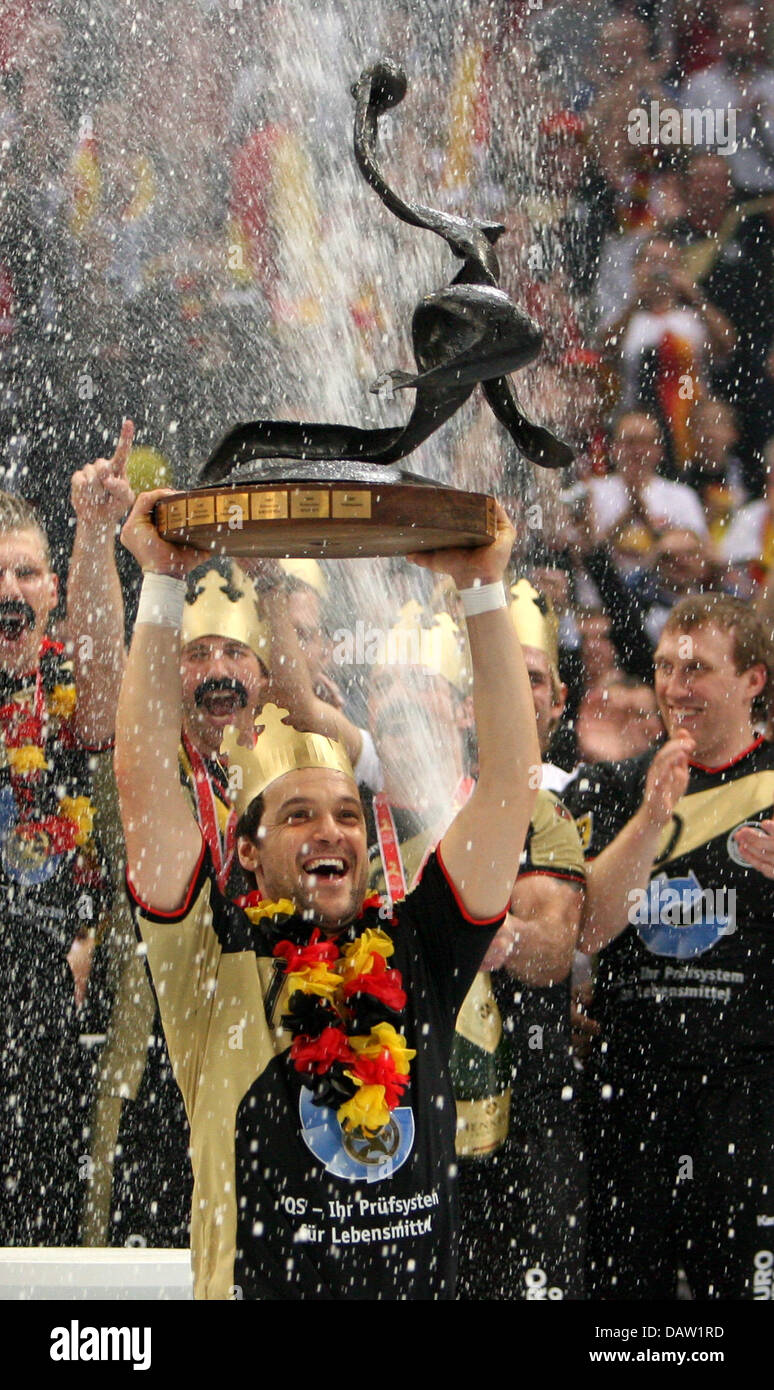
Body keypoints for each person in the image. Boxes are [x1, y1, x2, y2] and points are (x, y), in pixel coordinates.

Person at [114, 489, 539, 1300]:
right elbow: (142, 787)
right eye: (299, 814)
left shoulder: (419, 952)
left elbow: (509, 793)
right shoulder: (210, 967)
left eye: (347, 815)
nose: (331, 832)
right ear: (247, 847)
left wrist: (484, 588)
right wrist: (161, 585)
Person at [565, 592, 774, 1299]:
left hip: (750, 1099)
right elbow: (588, 929)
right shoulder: (619, 785)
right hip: (633, 1094)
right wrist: (652, 818)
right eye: (664, 667)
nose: (675, 688)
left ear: (754, 680)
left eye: (697, 669)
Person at [0, 421, 133, 1245]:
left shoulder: (62, 682)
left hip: (44, 981)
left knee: (35, 1222)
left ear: (49, 591)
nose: (9, 589)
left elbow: (103, 676)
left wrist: (93, 533)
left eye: (25, 572)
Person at [456, 580, 586, 1301]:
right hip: (439, 1100)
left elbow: (546, 952)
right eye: (491, 672)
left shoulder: (574, 796)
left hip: (536, 1093)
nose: (509, 691)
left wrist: (469, 925)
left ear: (556, 699)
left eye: (528, 676)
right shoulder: (414, 783)